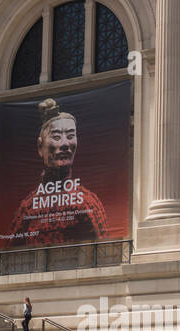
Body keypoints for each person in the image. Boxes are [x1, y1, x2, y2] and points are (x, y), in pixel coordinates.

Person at [6, 97, 109, 246]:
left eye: (70, 136)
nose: (65, 144)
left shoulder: (88, 203)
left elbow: (105, 248)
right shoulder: (28, 208)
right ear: (40, 147)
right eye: (56, 137)